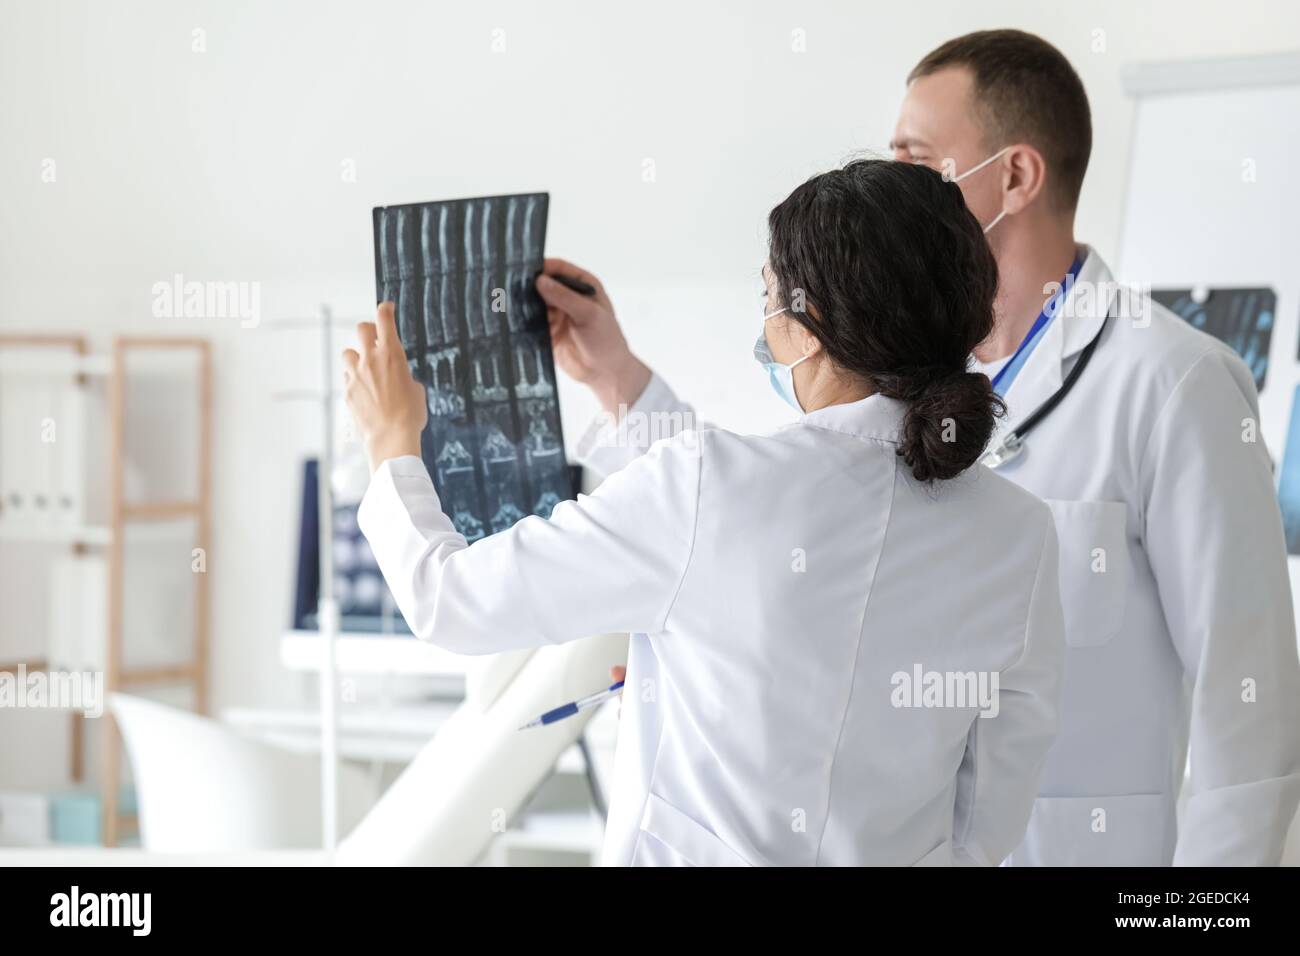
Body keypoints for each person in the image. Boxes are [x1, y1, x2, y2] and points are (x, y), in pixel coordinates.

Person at [539, 30, 1300, 866]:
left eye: (916, 155)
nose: (893, 176)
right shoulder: (889, 364)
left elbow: (1250, 705)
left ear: (1014, 177)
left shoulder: (1171, 384)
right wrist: (618, 378)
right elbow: (751, 513)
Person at [344, 159, 1065, 866]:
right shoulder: (1019, 535)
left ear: (808, 323)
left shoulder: (708, 487)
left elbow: (451, 600)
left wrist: (391, 444)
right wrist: (616, 376)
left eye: (768, 297)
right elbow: (987, 819)